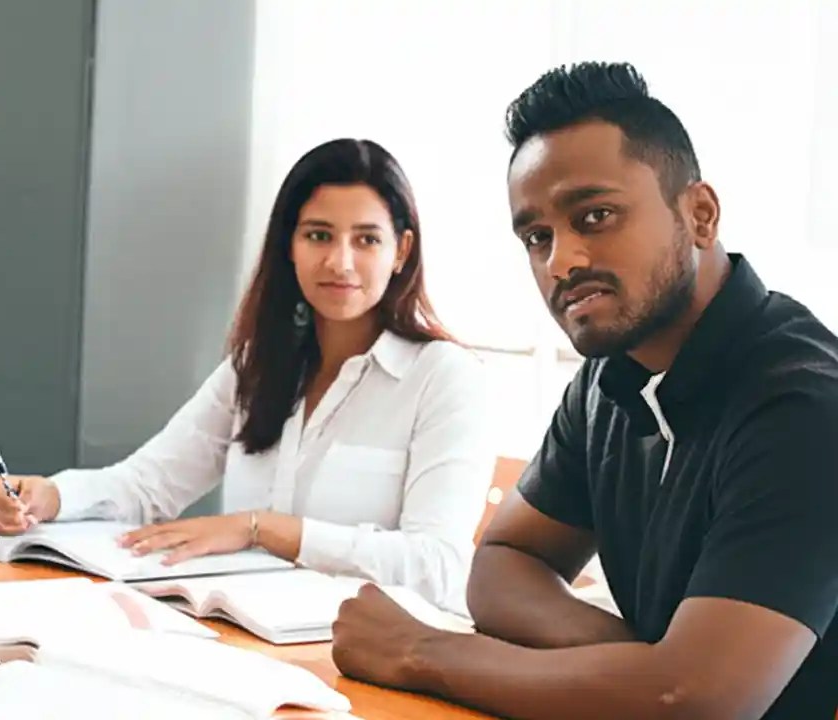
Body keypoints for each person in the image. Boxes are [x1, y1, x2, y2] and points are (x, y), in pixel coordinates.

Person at [331, 61, 838, 719]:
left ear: (701, 214)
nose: (560, 262)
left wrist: (420, 653)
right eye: (536, 236)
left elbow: (697, 701)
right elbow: (504, 564)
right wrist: (644, 663)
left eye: (595, 216)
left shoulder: (805, 406)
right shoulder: (610, 376)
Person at [0, 138, 494, 610]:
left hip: (371, 665)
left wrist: (262, 529)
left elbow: (439, 568)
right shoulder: (260, 364)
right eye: (319, 235)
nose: (340, 262)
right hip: (243, 634)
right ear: (288, 244)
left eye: (366, 240)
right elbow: (147, 486)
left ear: (401, 251)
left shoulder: (445, 377)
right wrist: (50, 496)